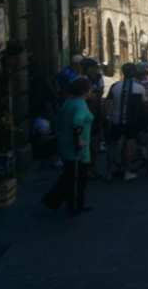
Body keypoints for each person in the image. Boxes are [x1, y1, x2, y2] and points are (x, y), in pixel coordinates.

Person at [42, 77, 94, 215]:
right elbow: (78, 122)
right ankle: (75, 205)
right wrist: (79, 140)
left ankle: (53, 200)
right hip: (78, 148)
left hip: (65, 144)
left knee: (69, 175)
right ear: (85, 90)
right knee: (78, 178)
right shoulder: (80, 104)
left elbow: (58, 121)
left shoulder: (68, 102)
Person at [105, 63, 147, 182]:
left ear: (123, 72)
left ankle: (109, 171)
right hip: (132, 121)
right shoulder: (140, 88)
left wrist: (107, 117)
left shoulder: (115, 86)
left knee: (112, 146)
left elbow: (107, 104)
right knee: (130, 145)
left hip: (116, 120)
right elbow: (145, 104)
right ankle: (127, 171)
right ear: (135, 73)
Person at [80, 58, 104, 178]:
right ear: (88, 69)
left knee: (94, 142)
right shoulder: (82, 80)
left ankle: (91, 168)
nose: (96, 70)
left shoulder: (98, 78)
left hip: (96, 112)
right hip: (85, 115)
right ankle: (86, 169)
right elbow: (89, 97)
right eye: (93, 67)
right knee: (86, 143)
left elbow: (98, 94)